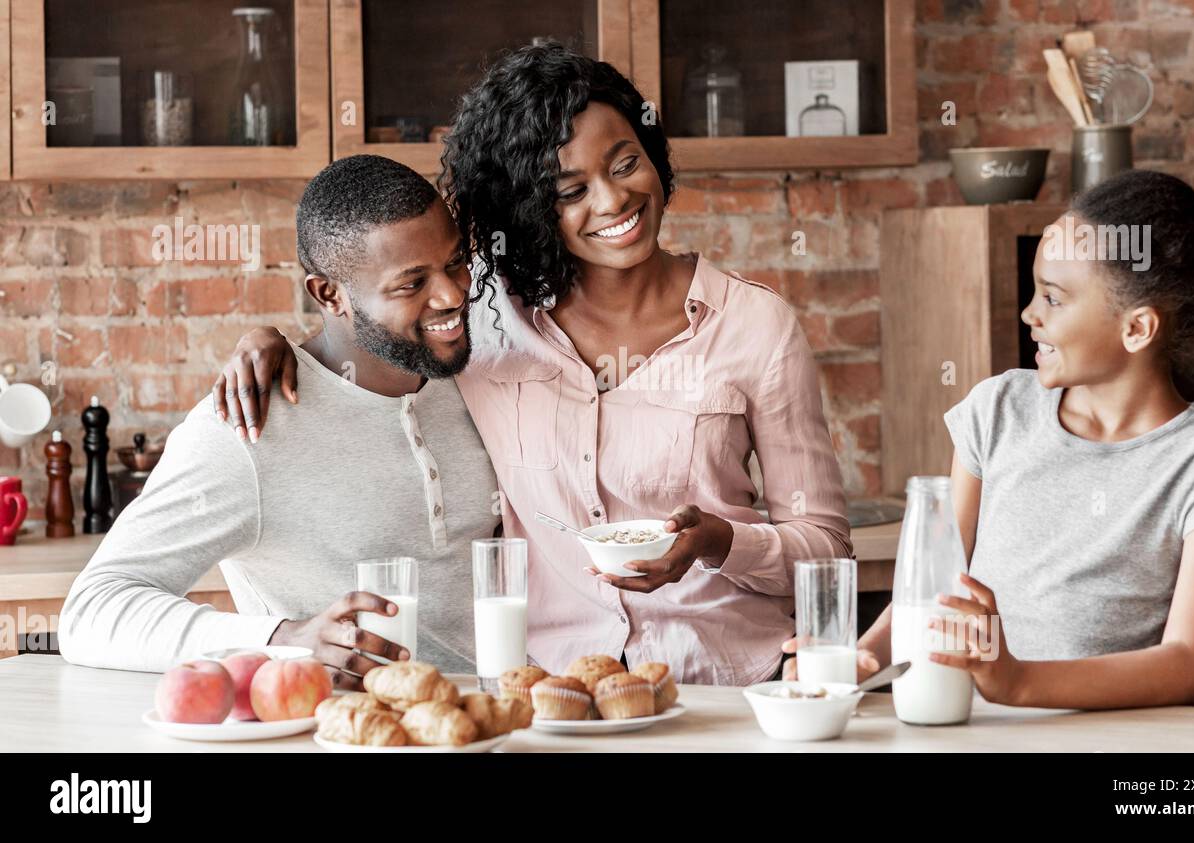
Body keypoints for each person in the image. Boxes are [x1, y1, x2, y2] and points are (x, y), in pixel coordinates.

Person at [212, 43, 851, 686]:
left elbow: (827, 550)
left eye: (626, 163)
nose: (613, 201)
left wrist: (720, 540)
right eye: (570, 190)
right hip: (548, 693)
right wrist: (273, 341)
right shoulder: (488, 322)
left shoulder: (754, 327)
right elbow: (376, 326)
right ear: (527, 209)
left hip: (725, 685)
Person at [785, 167, 1194, 709]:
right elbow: (933, 589)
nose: (1030, 314)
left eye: (1054, 298)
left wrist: (1017, 682)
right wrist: (863, 659)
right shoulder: (997, 409)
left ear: (1136, 328)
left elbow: (1187, 663)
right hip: (966, 728)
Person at [59, 155, 501, 686]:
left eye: (455, 262)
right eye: (411, 284)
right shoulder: (248, 425)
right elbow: (93, 610)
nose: (454, 295)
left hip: (502, 725)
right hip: (347, 737)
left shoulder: (482, 378)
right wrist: (281, 641)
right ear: (329, 294)